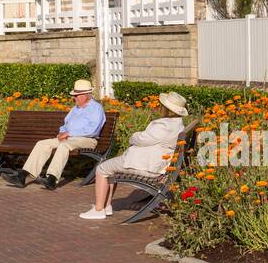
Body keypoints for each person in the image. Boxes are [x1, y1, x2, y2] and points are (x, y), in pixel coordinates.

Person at [79, 91, 188, 219]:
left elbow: (142, 139)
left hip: (148, 166)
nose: (159, 107)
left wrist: (133, 135)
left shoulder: (164, 125)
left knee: (102, 169)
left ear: (166, 109)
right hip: (157, 164)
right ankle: (106, 206)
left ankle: (98, 209)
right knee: (109, 168)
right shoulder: (178, 124)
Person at [2, 80, 105, 190]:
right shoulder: (75, 108)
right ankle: (22, 177)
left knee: (64, 145)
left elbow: (92, 130)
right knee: (42, 144)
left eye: (76, 95)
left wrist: (69, 133)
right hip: (69, 138)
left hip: (87, 139)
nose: (74, 98)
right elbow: (66, 124)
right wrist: (62, 132)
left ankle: (51, 179)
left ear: (85, 95)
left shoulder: (96, 108)